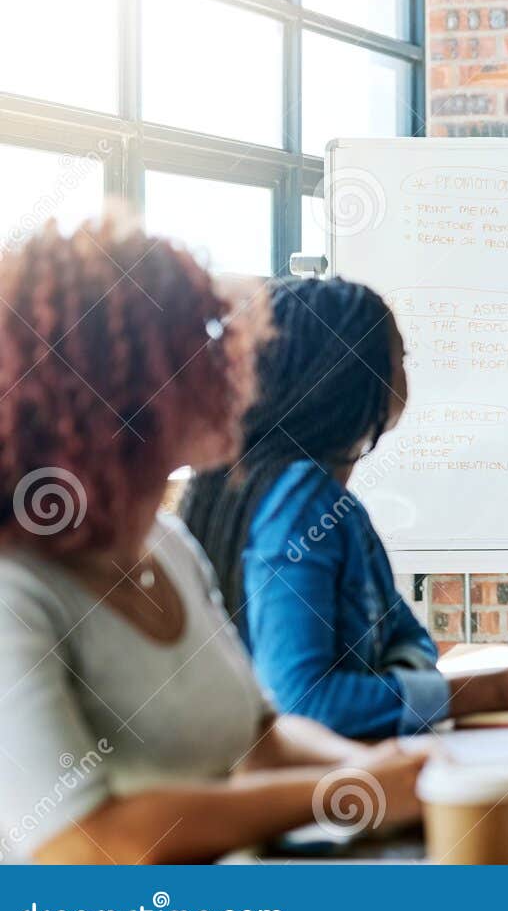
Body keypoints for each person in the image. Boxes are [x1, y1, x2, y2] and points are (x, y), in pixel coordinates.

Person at [0, 219, 425, 864]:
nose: (242, 362)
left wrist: (392, 771)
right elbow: (80, 842)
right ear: (113, 386)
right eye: (203, 341)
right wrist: (348, 788)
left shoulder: (165, 544)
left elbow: (262, 738)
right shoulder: (16, 589)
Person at [182, 278, 508, 741]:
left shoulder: (330, 504)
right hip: (329, 793)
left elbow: (412, 642)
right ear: (353, 375)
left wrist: (390, 682)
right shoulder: (302, 501)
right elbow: (306, 707)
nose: (407, 371)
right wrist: (504, 689)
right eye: (401, 358)